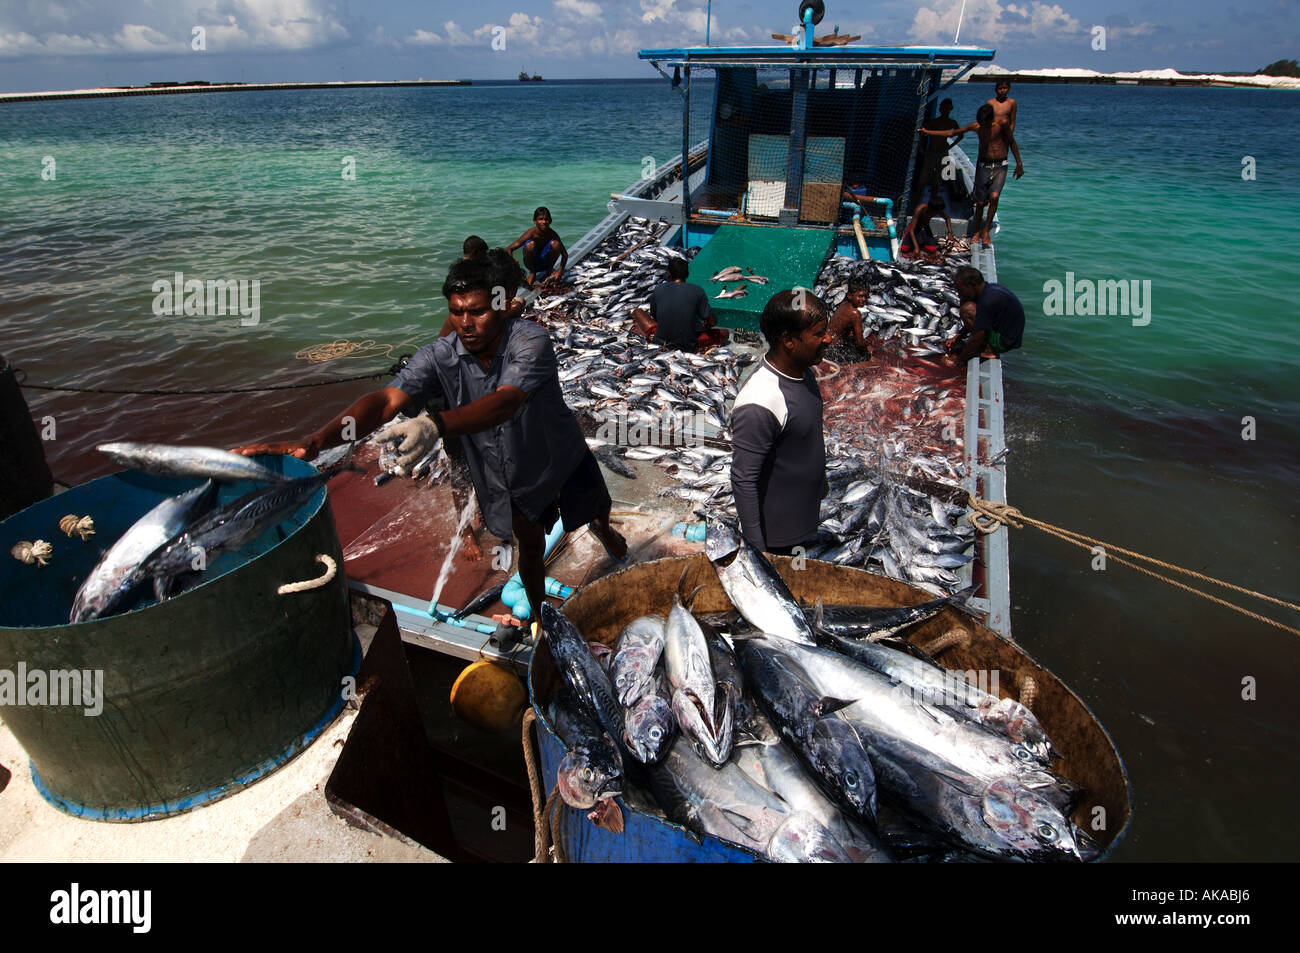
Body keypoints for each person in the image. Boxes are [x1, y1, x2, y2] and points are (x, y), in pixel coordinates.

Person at [233, 250, 628, 623]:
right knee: (530, 545)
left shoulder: (529, 341)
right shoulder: (440, 354)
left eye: (477, 312)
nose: (466, 324)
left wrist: (434, 425)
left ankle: (603, 528)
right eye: (456, 313)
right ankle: (543, 615)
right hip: (513, 473)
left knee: (597, 508)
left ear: (501, 305)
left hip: (560, 455)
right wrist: (318, 440)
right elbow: (386, 400)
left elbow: (506, 402)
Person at [730, 290, 831, 555]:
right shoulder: (761, 401)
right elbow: (743, 480)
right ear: (788, 340)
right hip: (776, 539)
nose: (828, 339)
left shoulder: (803, 372)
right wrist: (758, 553)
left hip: (803, 518)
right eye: (819, 333)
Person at [918, 101, 1023, 246]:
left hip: (1000, 164)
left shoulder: (1002, 124)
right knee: (979, 203)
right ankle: (978, 231)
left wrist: (1019, 164)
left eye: (985, 124)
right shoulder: (976, 126)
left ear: (992, 120)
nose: (982, 127)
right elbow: (952, 133)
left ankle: (986, 231)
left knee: (994, 196)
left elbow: (1012, 142)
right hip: (983, 165)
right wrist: (928, 133)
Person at [631, 258, 727, 352]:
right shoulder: (697, 290)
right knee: (724, 333)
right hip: (688, 345)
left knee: (637, 312)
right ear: (687, 274)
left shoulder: (658, 289)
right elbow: (712, 321)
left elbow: (655, 316)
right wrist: (706, 324)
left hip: (660, 342)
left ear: (669, 274)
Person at [948, 265, 1024, 365]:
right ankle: (988, 344)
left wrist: (959, 360)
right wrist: (959, 335)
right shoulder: (989, 289)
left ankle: (989, 349)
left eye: (961, 290)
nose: (959, 294)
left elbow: (979, 337)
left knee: (967, 309)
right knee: (966, 302)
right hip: (1008, 333)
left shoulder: (987, 301)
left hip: (1005, 341)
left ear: (973, 285)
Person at [507, 207, 568, 289]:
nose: (544, 222)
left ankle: (549, 271)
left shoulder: (552, 234)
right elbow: (509, 249)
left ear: (550, 221)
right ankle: (532, 273)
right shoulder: (531, 233)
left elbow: (564, 254)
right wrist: (513, 264)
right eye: (540, 219)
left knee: (556, 244)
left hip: (546, 263)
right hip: (531, 263)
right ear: (534, 221)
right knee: (530, 244)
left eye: (546, 219)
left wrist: (559, 272)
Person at [916, 98, 962, 202]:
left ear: (951, 108)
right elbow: (922, 134)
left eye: (947, 107)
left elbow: (960, 135)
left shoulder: (952, 123)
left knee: (937, 181)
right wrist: (922, 149)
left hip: (942, 153)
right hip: (931, 152)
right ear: (940, 108)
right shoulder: (934, 122)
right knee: (922, 181)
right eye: (943, 107)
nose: (945, 109)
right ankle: (916, 203)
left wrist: (950, 147)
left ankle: (932, 203)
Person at [826, 277, 871, 364]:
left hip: (827, 344)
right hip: (833, 350)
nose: (864, 299)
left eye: (866, 296)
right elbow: (860, 343)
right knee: (866, 356)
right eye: (860, 296)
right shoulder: (855, 314)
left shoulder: (844, 304)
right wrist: (865, 349)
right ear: (850, 295)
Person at [899, 195, 953, 261]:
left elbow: (947, 218)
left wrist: (950, 233)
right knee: (904, 249)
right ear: (931, 209)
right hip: (915, 228)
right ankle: (917, 245)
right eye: (936, 212)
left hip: (925, 227)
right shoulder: (919, 210)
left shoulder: (937, 210)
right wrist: (916, 247)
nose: (937, 213)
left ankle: (920, 245)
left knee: (932, 250)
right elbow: (911, 230)